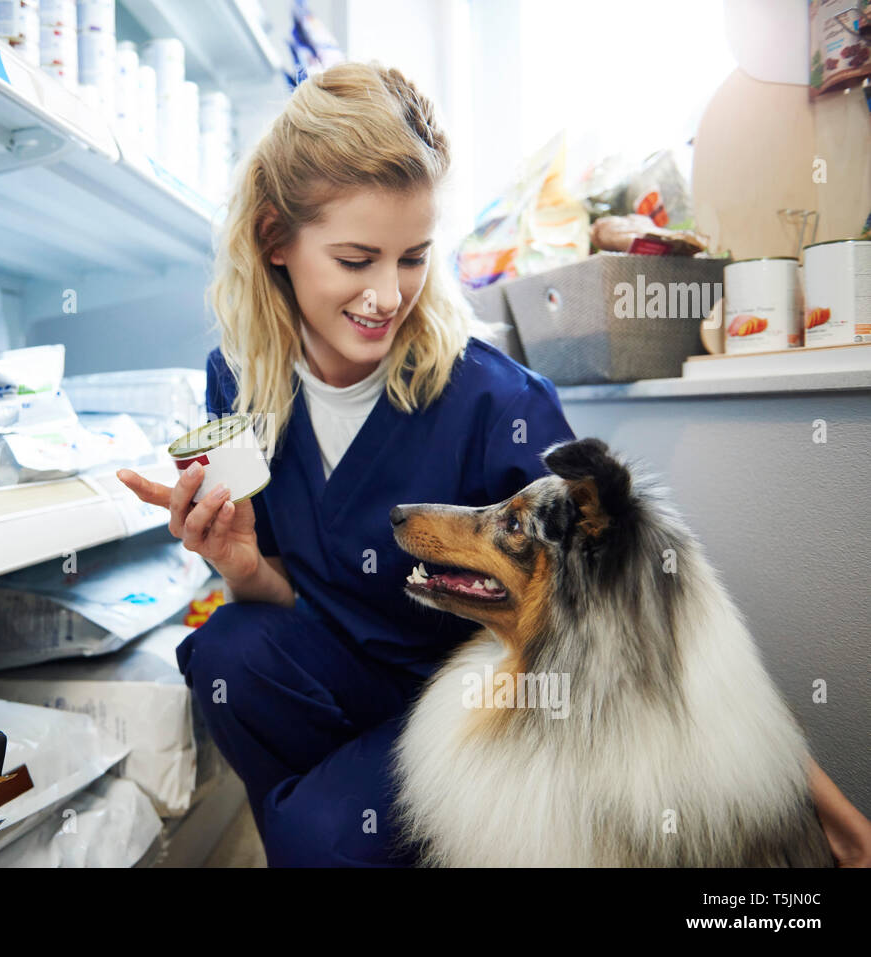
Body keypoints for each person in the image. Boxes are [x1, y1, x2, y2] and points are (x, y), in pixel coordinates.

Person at [117, 61, 871, 868]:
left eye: (412, 258)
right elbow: (282, 593)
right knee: (231, 651)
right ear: (276, 239)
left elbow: (643, 606)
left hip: (474, 707)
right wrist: (241, 564)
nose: (386, 296)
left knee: (325, 834)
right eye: (355, 258)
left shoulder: (493, 397)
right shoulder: (239, 377)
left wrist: (829, 818)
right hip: (334, 674)